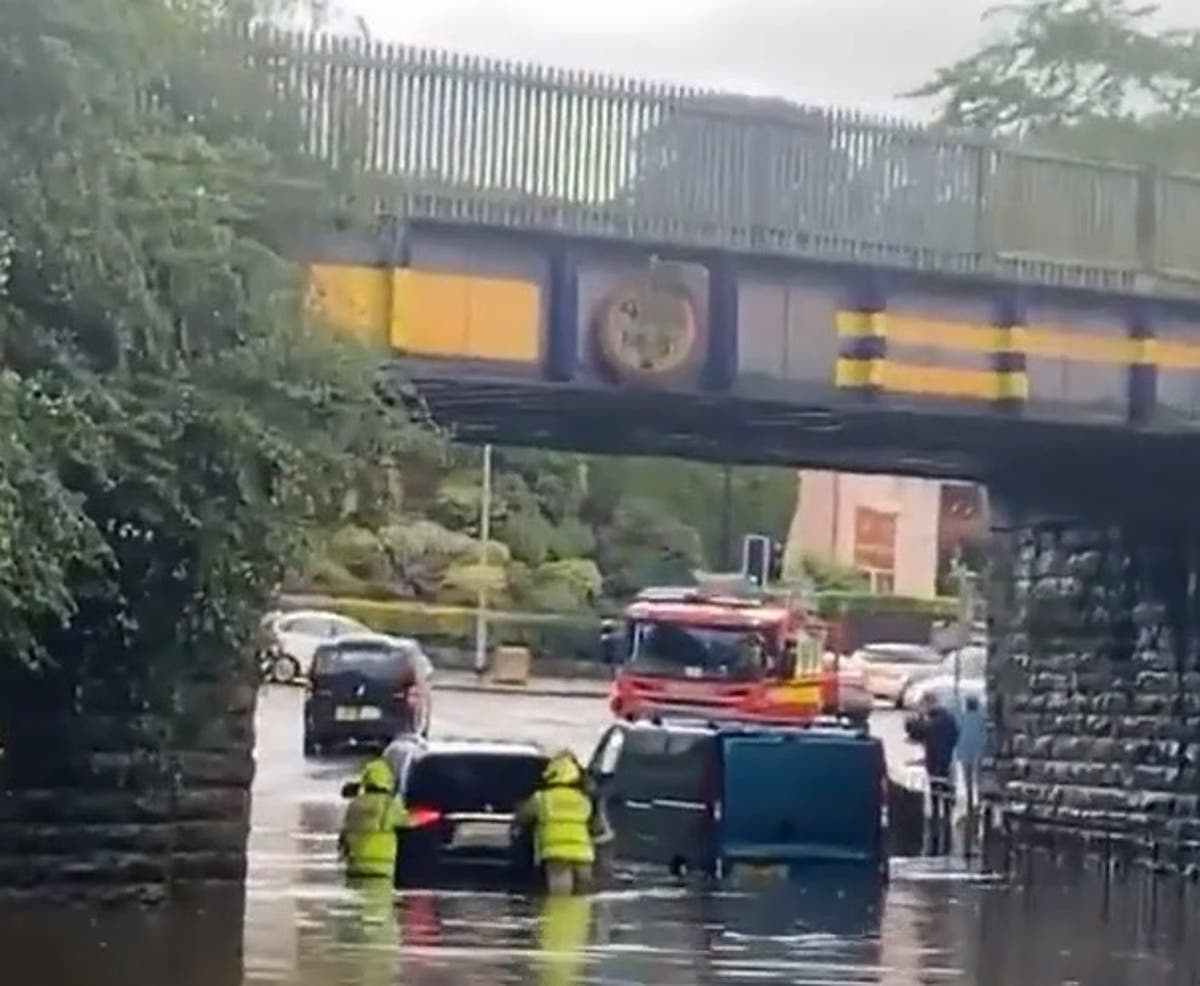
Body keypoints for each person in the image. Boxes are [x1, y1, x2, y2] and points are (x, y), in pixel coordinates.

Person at [516, 749, 595, 895]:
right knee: (583, 897)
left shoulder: (542, 798)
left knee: (560, 898)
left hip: (556, 854)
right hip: (583, 854)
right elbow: (594, 824)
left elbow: (523, 816)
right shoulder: (583, 799)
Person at [339, 752, 408, 880]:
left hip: (355, 870)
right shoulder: (389, 805)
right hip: (381, 871)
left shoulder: (355, 804)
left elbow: (345, 833)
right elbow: (408, 821)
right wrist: (433, 814)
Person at [908, 692, 960, 855]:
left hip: (936, 763)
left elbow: (918, 733)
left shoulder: (933, 722)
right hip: (946, 761)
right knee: (945, 793)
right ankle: (946, 820)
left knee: (936, 794)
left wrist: (916, 721)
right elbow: (955, 736)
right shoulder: (948, 720)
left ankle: (938, 828)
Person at [955, 694, 986, 822]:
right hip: (977, 751)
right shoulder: (980, 719)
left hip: (964, 751)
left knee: (967, 777)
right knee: (977, 777)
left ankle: (969, 799)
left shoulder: (961, 718)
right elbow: (984, 735)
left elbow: (957, 734)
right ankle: (978, 800)